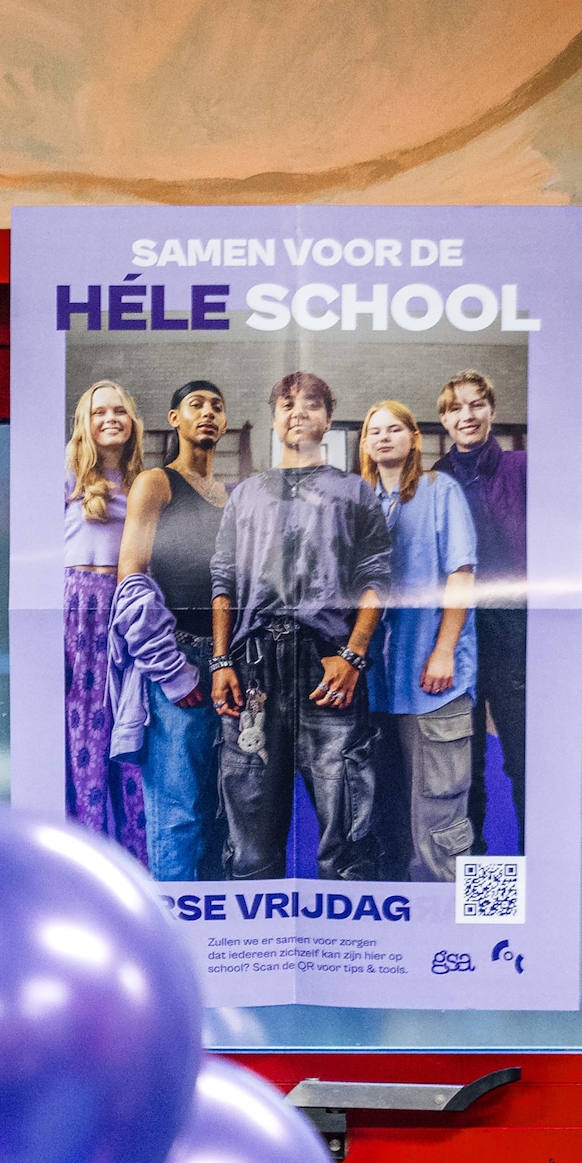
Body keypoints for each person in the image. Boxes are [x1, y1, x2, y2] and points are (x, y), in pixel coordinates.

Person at [209, 371, 392, 881]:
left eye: (312, 404)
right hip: (253, 669)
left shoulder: (354, 492)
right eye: (288, 404)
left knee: (347, 835)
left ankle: (354, 952)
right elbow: (223, 579)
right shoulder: (245, 494)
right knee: (248, 838)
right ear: (274, 418)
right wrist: (222, 660)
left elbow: (378, 577)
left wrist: (354, 654)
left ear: (328, 420)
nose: (299, 413)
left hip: (328, 664)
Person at [114, 380, 230, 882]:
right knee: (178, 811)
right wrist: (172, 671)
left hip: (229, 660)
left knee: (224, 811)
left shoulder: (232, 496)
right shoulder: (156, 483)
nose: (208, 413)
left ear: (224, 424)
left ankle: (220, 946)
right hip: (178, 658)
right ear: (175, 418)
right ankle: (181, 938)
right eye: (196, 405)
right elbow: (132, 579)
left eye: (217, 407)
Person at [360, 400, 478, 883]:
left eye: (394, 429)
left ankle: (455, 941)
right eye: (374, 431)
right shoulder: (362, 503)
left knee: (438, 821)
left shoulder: (440, 490)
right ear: (365, 444)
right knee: (384, 818)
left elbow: (463, 574)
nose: (383, 437)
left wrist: (445, 649)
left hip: (433, 678)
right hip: (376, 686)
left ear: (414, 438)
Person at [434, 368, 528, 852]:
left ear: (491, 409)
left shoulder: (524, 468)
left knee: (523, 760)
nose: (466, 416)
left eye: (476, 405)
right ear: (443, 421)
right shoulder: (432, 482)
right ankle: (477, 882)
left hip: (516, 634)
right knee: (464, 767)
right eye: (455, 408)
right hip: (457, 639)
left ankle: (538, 878)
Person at [62, 379, 148, 863]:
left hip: (130, 607)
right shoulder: (67, 471)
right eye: (99, 412)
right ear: (85, 422)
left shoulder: (144, 482)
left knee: (130, 731)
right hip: (81, 609)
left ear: (131, 421)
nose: (110, 418)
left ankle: (137, 862)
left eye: (119, 410)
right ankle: (86, 857)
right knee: (84, 738)